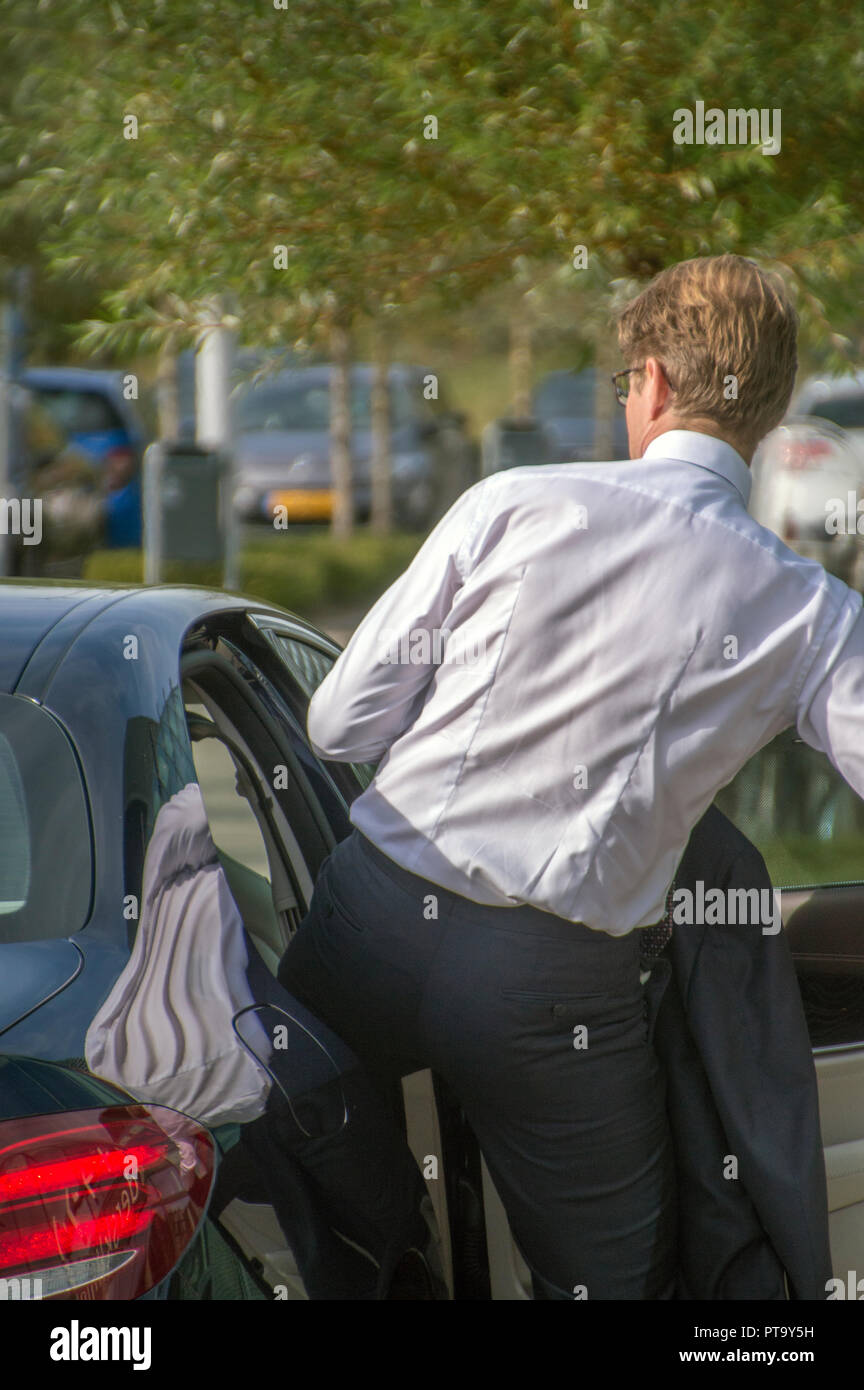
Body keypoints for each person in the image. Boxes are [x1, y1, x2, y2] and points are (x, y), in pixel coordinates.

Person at [277, 253, 864, 1299]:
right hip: (550, 989)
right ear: (769, 413)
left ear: (647, 382)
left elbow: (336, 721)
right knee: (605, 1283)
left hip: (366, 918)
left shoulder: (512, 502)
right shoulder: (808, 609)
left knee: (290, 1188)